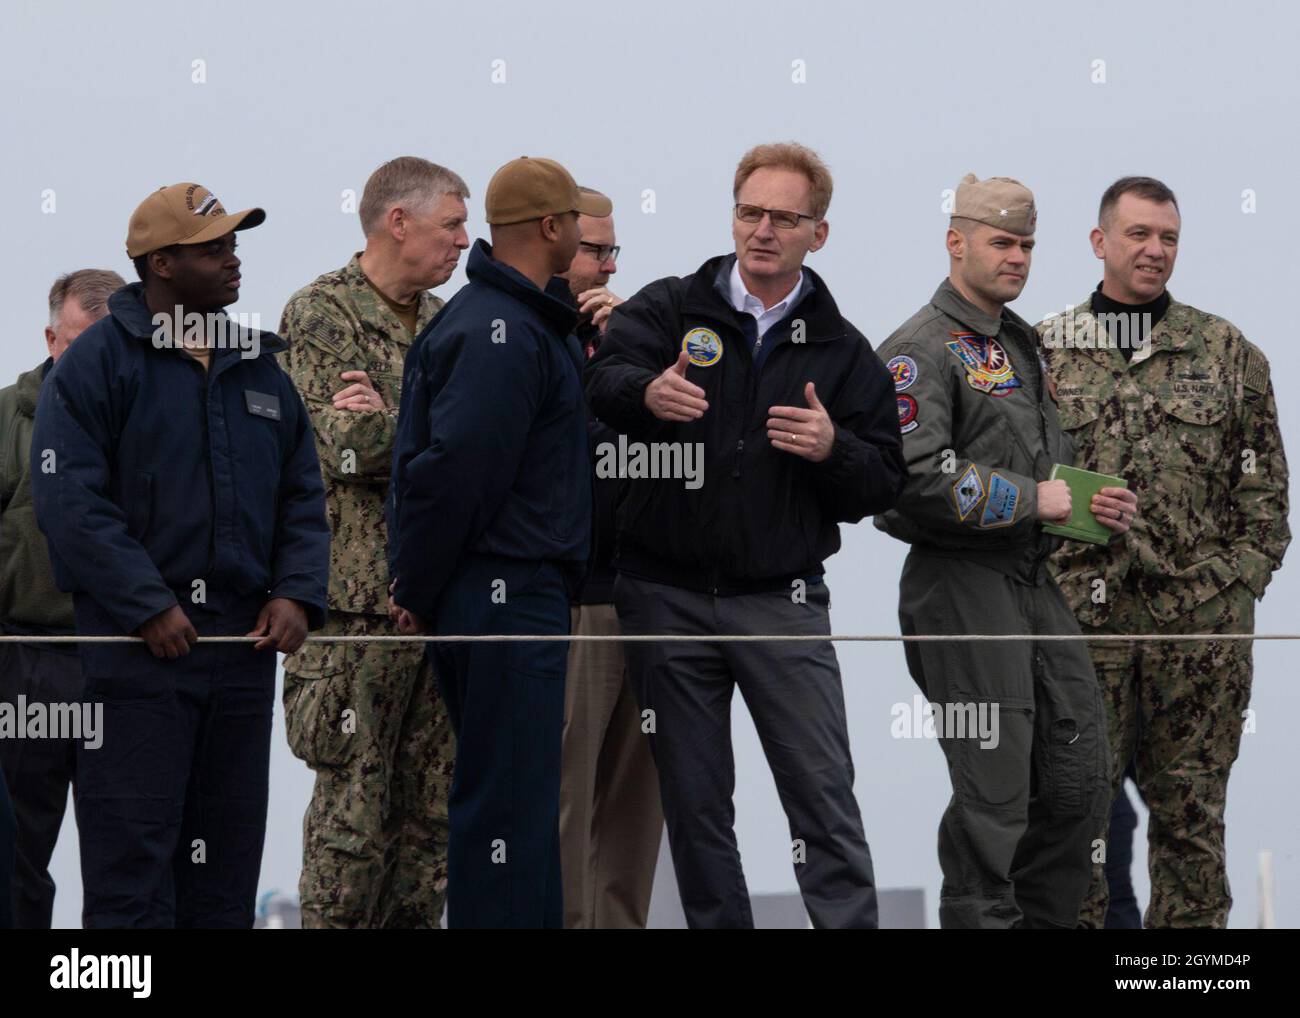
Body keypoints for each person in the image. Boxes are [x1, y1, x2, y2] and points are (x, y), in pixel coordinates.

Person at [585, 142, 905, 929]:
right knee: (696, 813)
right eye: (749, 212)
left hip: (782, 603)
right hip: (665, 598)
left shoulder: (843, 349)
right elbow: (603, 382)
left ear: (817, 234)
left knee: (823, 801)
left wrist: (835, 449)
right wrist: (646, 392)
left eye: (783, 218)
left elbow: (885, 482)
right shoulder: (666, 308)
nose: (762, 230)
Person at [31, 182, 330, 928]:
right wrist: (146, 606)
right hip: (137, 658)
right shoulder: (98, 365)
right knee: (133, 872)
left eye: (235, 245)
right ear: (160, 263)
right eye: (215, 248)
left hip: (240, 653)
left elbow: (302, 494)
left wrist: (296, 592)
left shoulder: (261, 368)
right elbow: (70, 501)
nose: (235, 261)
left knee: (224, 873)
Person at [873, 173, 1137, 929]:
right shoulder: (919, 350)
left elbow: (1038, 467)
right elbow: (911, 478)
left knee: (1079, 783)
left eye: (1026, 244)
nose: (1017, 257)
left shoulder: (1018, 342)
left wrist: (1085, 505)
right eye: (1000, 242)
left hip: (1031, 577)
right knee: (994, 797)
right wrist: (1034, 500)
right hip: (958, 584)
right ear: (956, 243)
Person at [1036, 176, 1290, 928]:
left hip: (1199, 638)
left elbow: (1266, 500)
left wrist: (1232, 592)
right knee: (1074, 824)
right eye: (1139, 234)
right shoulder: (1045, 349)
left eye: (1168, 238)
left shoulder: (1229, 353)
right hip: (1082, 630)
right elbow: (1019, 480)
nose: (1155, 251)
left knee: (1193, 825)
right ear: (1100, 242)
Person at [388, 156, 603, 928]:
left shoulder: (510, 319)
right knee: (506, 808)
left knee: (515, 803)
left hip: (503, 588)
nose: (583, 235)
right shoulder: (500, 330)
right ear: (551, 227)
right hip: (503, 591)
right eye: (576, 221)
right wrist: (416, 584)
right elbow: (455, 473)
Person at [279, 157, 467, 929]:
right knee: (353, 823)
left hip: (434, 603)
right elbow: (341, 446)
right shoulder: (321, 313)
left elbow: (467, 443)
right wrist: (441, 435)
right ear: (399, 222)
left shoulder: (454, 320)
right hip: (353, 615)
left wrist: (395, 421)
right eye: (452, 224)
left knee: (430, 825)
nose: (465, 240)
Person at [0, 268, 122, 928]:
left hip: (130, 662)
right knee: (20, 850)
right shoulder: (6, 419)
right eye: (83, 343)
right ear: (52, 338)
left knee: (129, 852)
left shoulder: (156, 423)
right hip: (28, 662)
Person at [556, 187, 664, 929]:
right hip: (568, 599)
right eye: (595, 250)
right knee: (563, 805)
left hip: (647, 596)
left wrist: (628, 348)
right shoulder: (521, 334)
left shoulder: (636, 333)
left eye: (614, 251)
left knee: (636, 814)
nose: (607, 265)